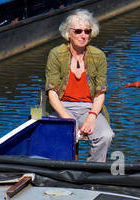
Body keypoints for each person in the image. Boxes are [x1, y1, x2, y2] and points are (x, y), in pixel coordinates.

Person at [45, 9, 115, 161]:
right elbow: (52, 93)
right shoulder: (56, 54)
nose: (83, 35)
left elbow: (100, 93)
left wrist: (91, 117)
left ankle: (93, 172)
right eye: (78, 31)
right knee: (58, 135)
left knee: (105, 135)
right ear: (68, 33)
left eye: (87, 31)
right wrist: (68, 119)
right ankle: (63, 171)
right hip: (61, 107)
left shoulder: (98, 56)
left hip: (88, 108)